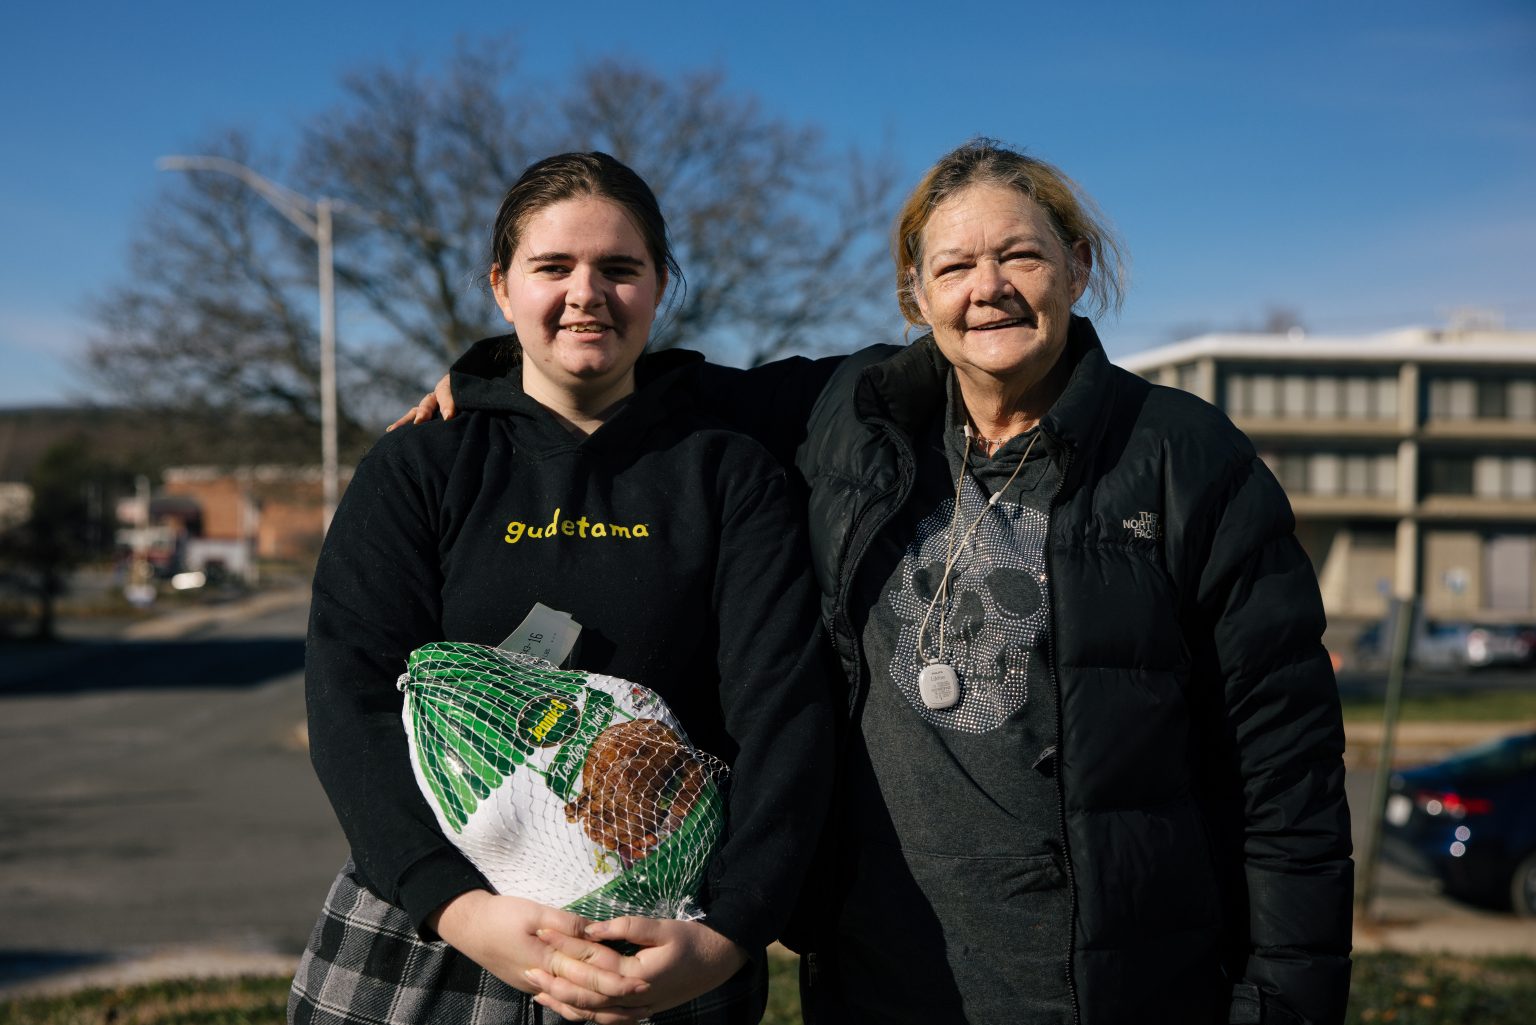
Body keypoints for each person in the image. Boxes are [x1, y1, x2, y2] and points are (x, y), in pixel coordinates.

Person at [399, 138, 1354, 1025]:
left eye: (1021, 257)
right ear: (914, 293)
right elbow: (628, 374)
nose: (989, 290)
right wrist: (484, 377)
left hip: (1121, 981)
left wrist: (1286, 998)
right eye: (953, 266)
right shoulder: (847, 413)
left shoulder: (1188, 460)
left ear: (1078, 266)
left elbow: (1286, 769)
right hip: (879, 979)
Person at [293, 151, 833, 1025]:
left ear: (661, 286)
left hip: (655, 945)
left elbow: (785, 709)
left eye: (620, 269)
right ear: (502, 288)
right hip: (436, 924)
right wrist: (458, 906)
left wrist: (734, 926)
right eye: (554, 267)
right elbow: (347, 694)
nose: (588, 293)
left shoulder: (729, 472)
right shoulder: (420, 465)